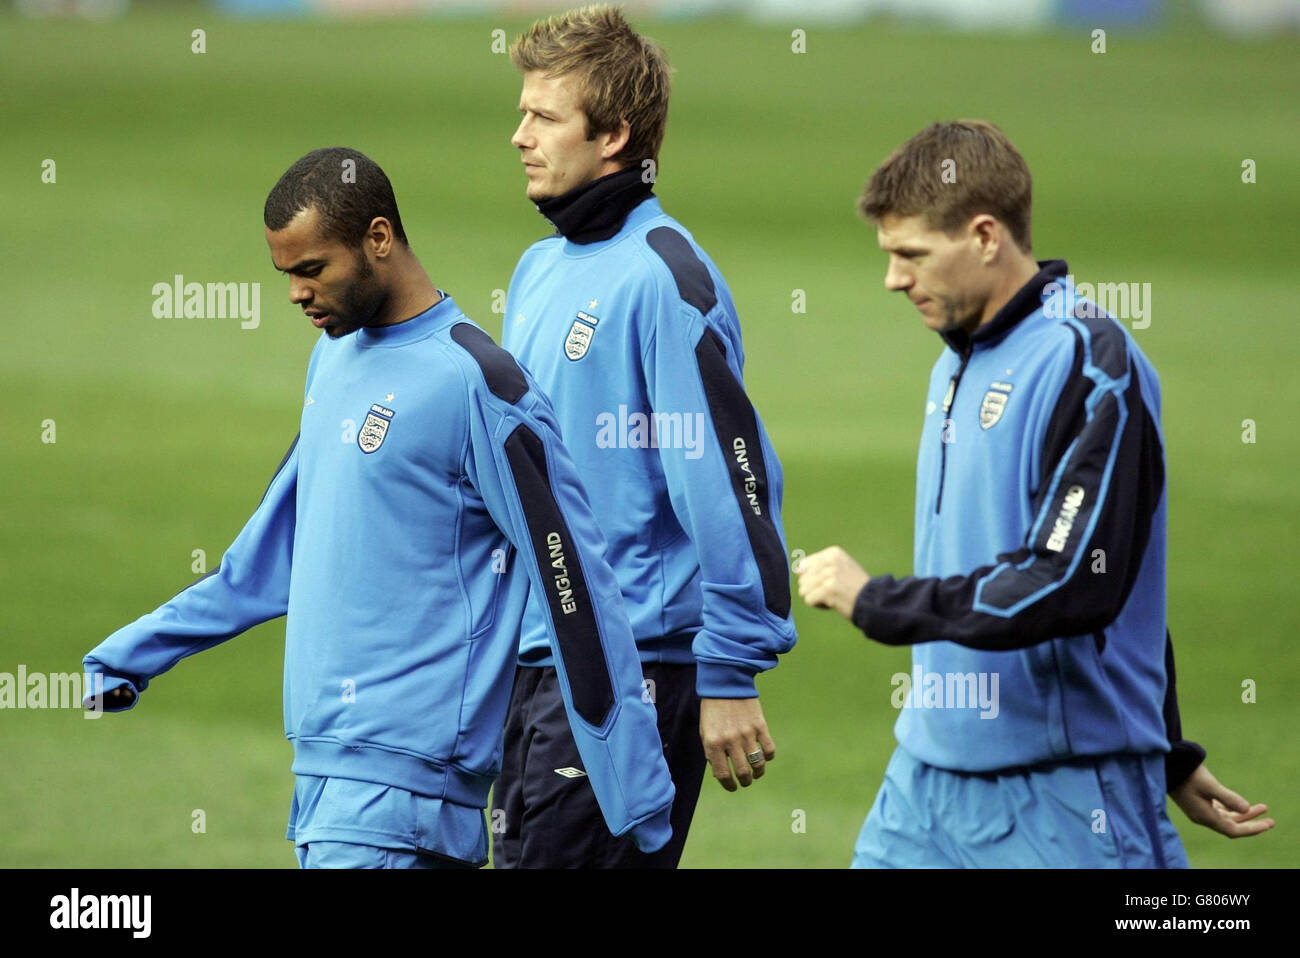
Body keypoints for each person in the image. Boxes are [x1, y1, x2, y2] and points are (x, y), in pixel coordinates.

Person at [81, 147, 676, 869]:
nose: (297, 293)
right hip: (324, 792)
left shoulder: (478, 383)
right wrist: (134, 654)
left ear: (379, 239)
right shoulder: (333, 359)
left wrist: (634, 784)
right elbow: (270, 557)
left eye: (312, 269)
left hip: (405, 805)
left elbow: (572, 577)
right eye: (286, 275)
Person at [796, 120, 1274, 867]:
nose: (893, 279)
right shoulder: (954, 363)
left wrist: (879, 601)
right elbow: (1119, 562)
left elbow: (1075, 581)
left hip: (1063, 794)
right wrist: (1173, 749)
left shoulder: (1091, 364)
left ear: (985, 236)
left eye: (911, 254)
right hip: (925, 778)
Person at [491, 5, 797, 868]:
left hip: (633, 674)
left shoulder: (668, 280)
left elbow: (729, 483)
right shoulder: (539, 266)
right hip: (535, 661)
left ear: (615, 135)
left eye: (544, 117)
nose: (519, 135)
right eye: (522, 112)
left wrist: (731, 670)